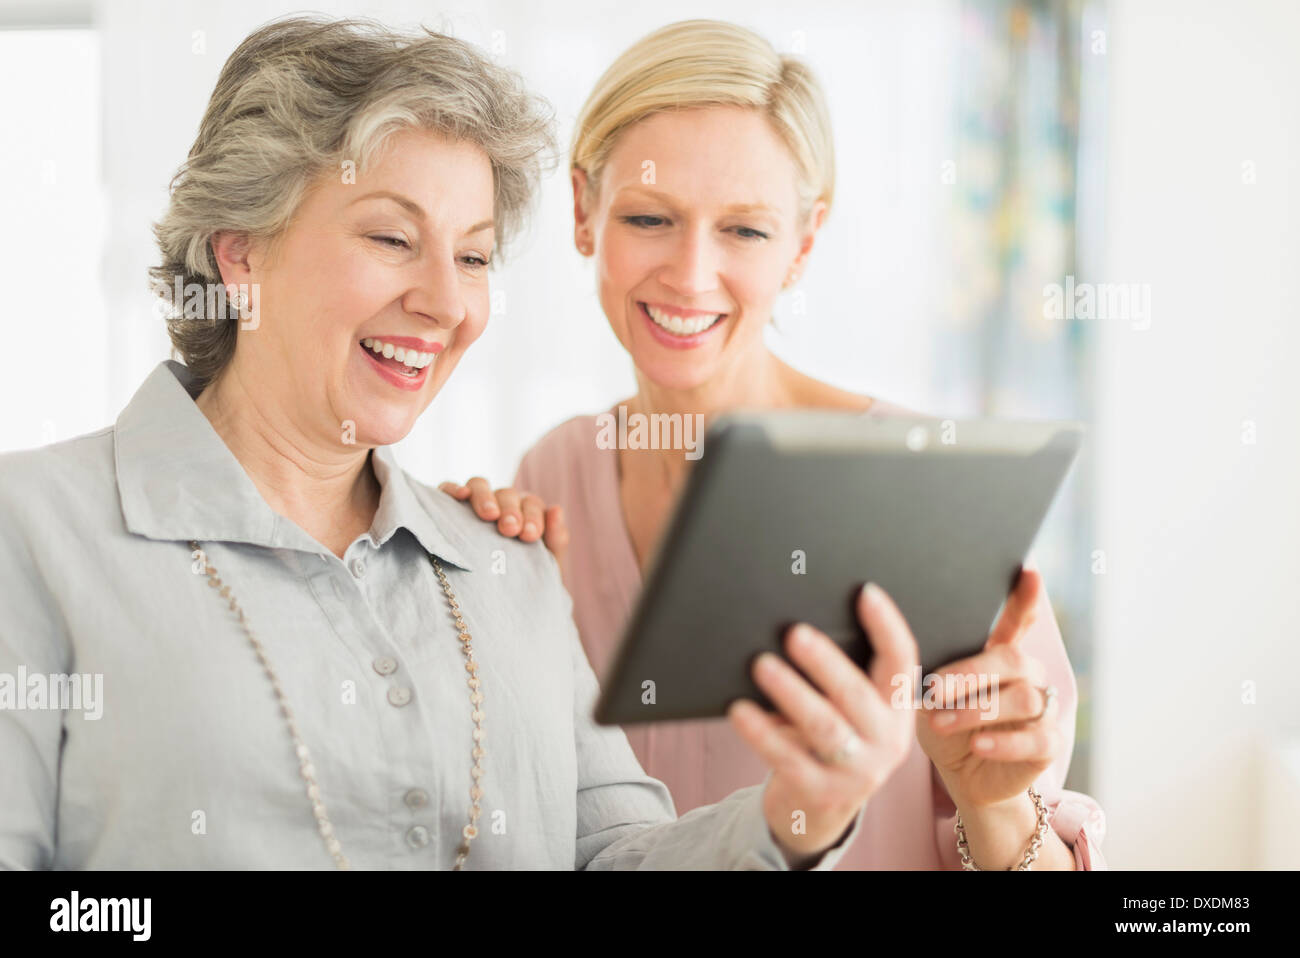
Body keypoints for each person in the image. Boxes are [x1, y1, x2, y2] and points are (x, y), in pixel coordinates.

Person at [0, 15, 931, 871]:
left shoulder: (509, 566)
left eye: (475, 255)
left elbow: (612, 858)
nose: (446, 303)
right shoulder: (36, 530)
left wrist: (802, 808)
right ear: (241, 249)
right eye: (392, 238)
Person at [443, 19, 1106, 869]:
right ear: (583, 212)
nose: (689, 274)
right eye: (650, 217)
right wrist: (471, 582)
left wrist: (999, 803)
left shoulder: (920, 481)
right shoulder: (555, 472)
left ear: (803, 243)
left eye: (745, 231)